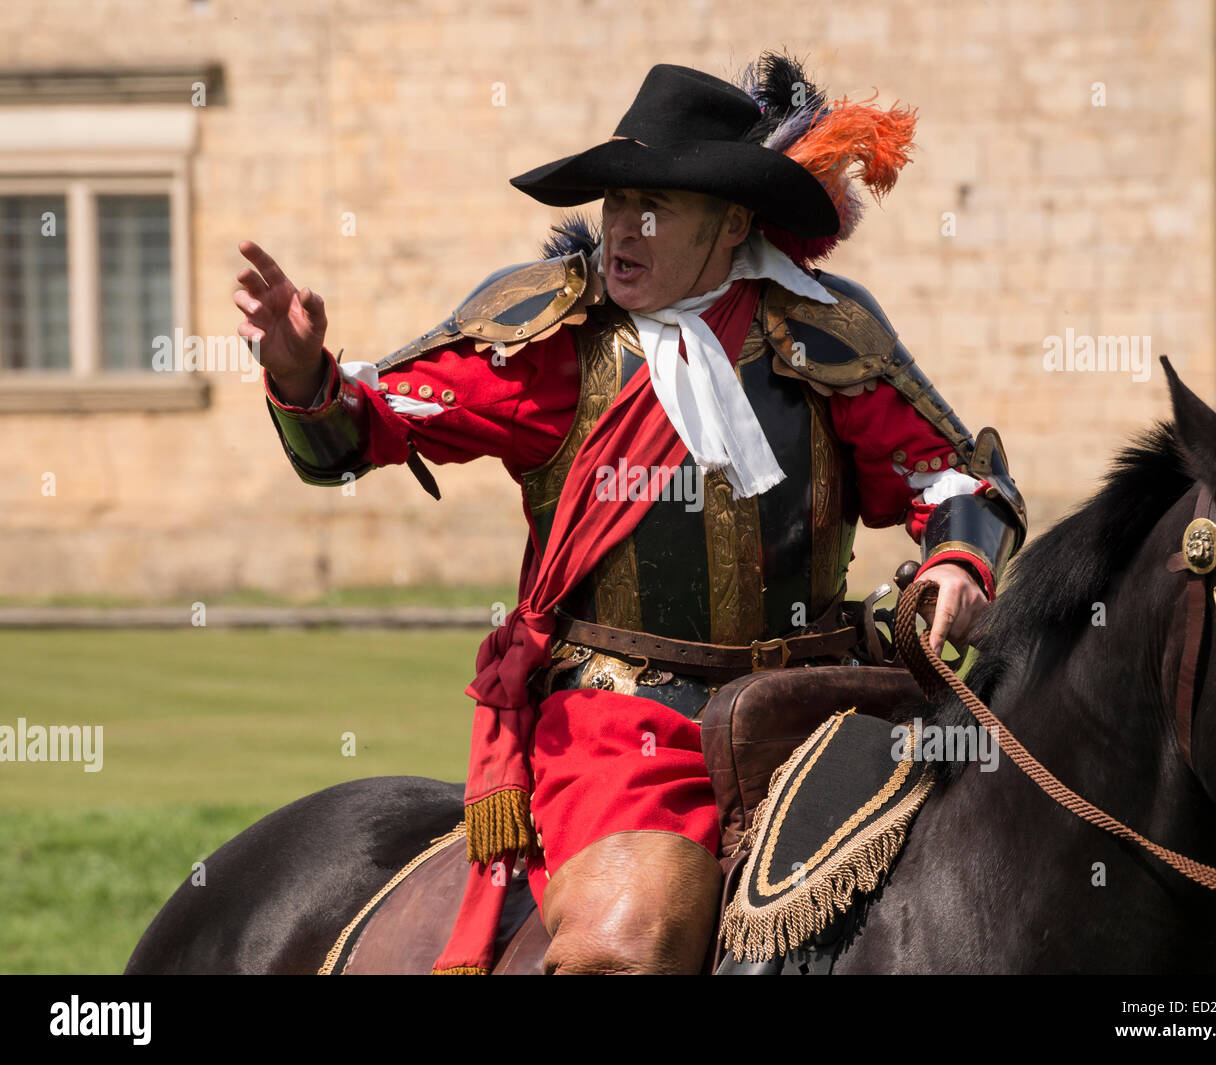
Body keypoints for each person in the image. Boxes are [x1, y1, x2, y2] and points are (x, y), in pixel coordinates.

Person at [234, 54, 1026, 975]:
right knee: (630, 943)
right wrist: (302, 377)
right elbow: (363, 429)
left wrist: (956, 565)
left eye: (656, 208)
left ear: (733, 224)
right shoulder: (550, 333)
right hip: (626, 725)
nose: (624, 228)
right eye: (616, 203)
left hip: (825, 706)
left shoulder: (826, 330)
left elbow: (954, 479)